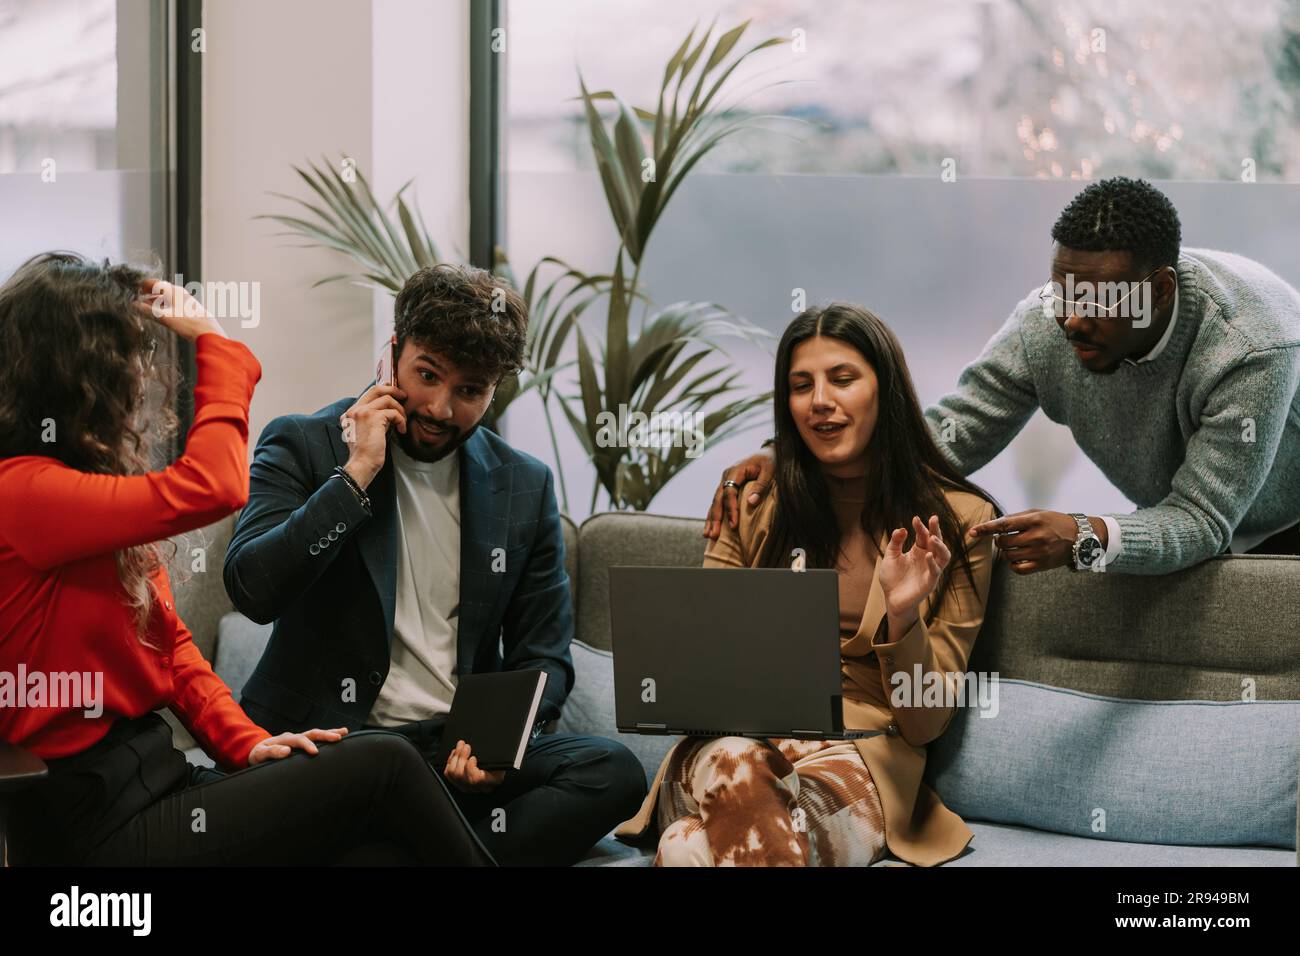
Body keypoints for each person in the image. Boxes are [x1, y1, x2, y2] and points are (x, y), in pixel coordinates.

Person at [0, 252, 492, 865]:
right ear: (73, 376)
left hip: (158, 779)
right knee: (386, 763)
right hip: (92, 821)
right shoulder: (21, 493)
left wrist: (249, 745)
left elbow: (171, 649)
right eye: (126, 359)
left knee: (374, 844)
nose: (140, 376)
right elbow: (212, 486)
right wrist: (215, 341)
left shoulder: (84, 487)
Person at [223, 262, 647, 867]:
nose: (441, 409)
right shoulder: (303, 442)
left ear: (494, 389)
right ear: (392, 354)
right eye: (427, 375)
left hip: (450, 755)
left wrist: (498, 746)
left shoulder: (522, 484)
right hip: (332, 751)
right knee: (376, 794)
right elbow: (253, 590)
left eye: (470, 390)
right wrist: (355, 476)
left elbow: (543, 655)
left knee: (612, 770)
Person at [709, 177, 1300, 574]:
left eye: (1095, 303)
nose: (1071, 321)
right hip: (1195, 526)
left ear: (1161, 291)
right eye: (1062, 292)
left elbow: (1201, 519)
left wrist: (1083, 535)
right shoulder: (1046, 325)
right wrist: (789, 457)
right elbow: (948, 435)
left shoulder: (1250, 348)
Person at [615, 303, 1000, 866]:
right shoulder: (752, 503)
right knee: (739, 762)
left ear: (885, 390)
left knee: (688, 849)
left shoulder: (961, 521)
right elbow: (699, 676)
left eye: (842, 379)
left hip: (855, 764)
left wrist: (904, 614)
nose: (820, 400)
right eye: (801, 386)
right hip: (723, 755)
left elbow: (922, 723)